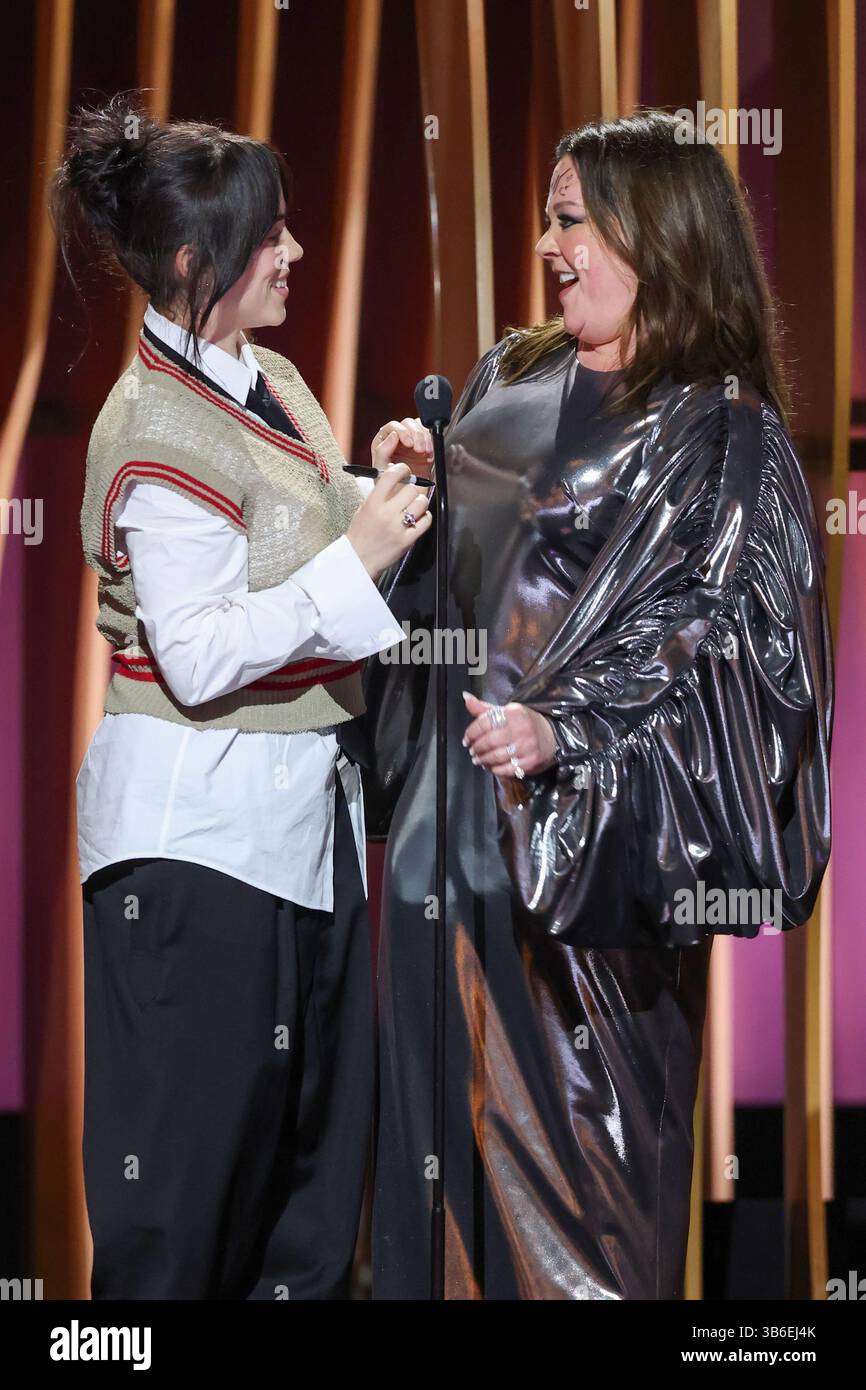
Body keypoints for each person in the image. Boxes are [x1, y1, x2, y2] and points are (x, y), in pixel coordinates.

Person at [362, 110, 833, 1300]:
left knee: (582, 1213)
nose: (544, 242)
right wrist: (412, 491)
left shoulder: (720, 431)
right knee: (432, 1199)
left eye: (570, 218)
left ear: (655, 231)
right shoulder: (509, 376)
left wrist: (572, 733)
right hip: (440, 854)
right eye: (547, 217)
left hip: (581, 881)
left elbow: (730, 650)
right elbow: (457, 588)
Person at [51, 93, 434, 1300]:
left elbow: (303, 542)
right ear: (191, 262)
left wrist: (377, 487)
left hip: (299, 840)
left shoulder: (263, 376)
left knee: (306, 1215)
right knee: (177, 1215)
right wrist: (358, 548)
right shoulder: (149, 425)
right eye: (271, 235)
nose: (294, 252)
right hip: (195, 853)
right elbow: (204, 650)